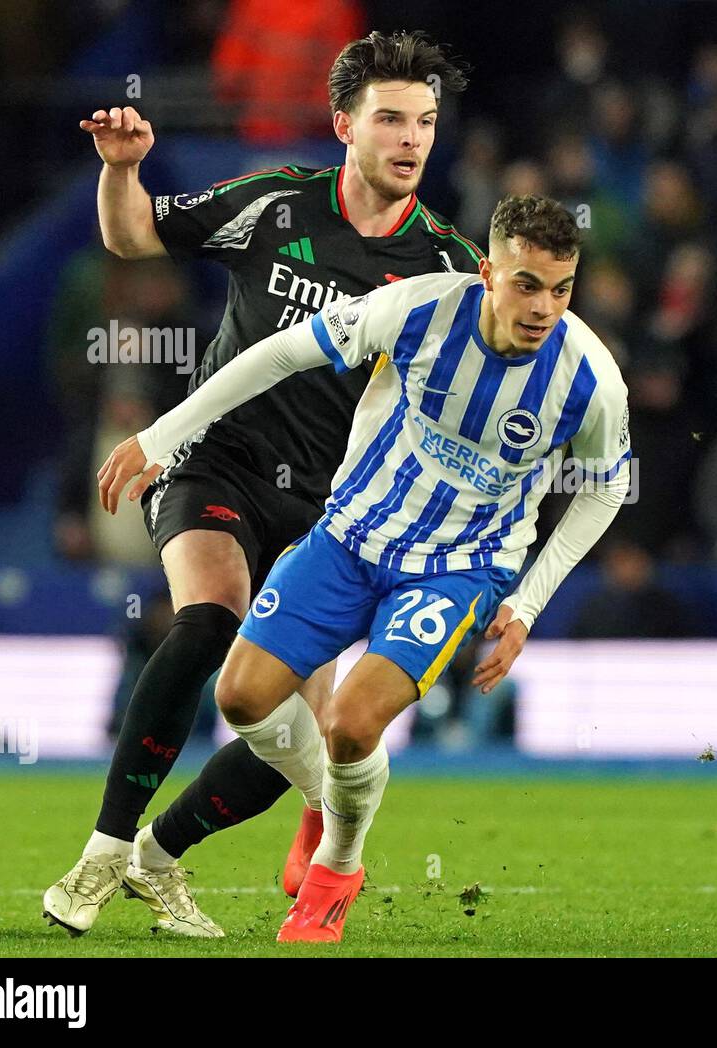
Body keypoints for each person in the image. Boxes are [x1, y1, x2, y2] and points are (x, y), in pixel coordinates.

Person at [97, 194, 631, 943]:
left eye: (561, 288)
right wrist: (164, 432)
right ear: (487, 273)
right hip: (348, 539)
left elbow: (607, 485)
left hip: (458, 568)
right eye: (526, 284)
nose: (545, 307)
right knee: (241, 698)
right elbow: (281, 352)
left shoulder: (591, 381)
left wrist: (528, 605)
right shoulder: (417, 310)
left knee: (351, 722)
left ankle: (338, 866)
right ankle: (329, 797)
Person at [43, 30, 483, 939]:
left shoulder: (446, 269)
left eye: (426, 122)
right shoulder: (277, 202)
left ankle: (159, 860)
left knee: (303, 734)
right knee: (211, 618)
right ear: (342, 125)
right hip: (215, 462)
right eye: (391, 118)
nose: (411, 139)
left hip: (327, 511)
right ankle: (102, 852)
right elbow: (131, 236)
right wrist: (122, 168)